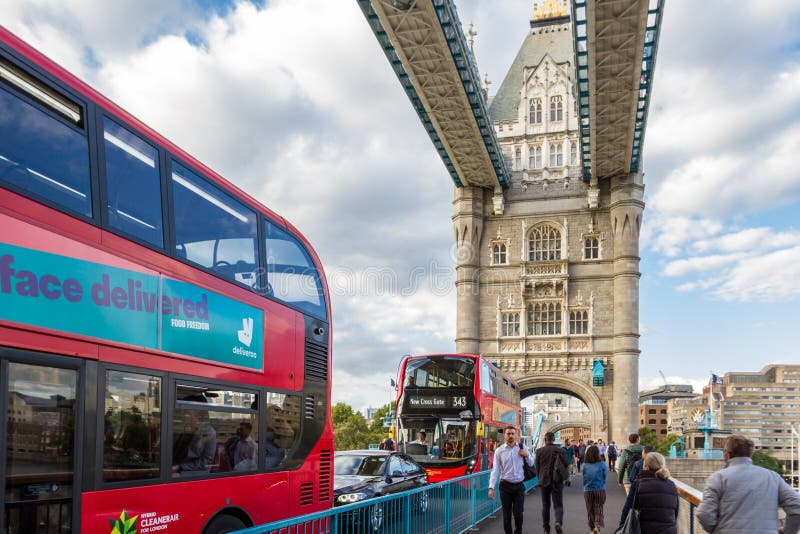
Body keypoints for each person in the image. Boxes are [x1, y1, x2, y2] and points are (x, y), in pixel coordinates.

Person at [696, 434, 800, 534]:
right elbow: (797, 507)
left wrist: (717, 530)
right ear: (750, 454)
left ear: (728, 454)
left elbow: (704, 513)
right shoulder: (773, 477)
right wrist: (787, 531)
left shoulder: (718, 478)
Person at [488, 427, 534, 534]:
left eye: (513, 434)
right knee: (506, 515)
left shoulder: (522, 447)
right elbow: (495, 470)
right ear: (504, 435)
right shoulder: (499, 451)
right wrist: (491, 487)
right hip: (505, 486)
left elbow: (531, 463)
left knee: (518, 514)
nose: (511, 436)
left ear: (516, 435)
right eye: (508, 434)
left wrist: (526, 455)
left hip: (519, 486)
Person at [618, 452, 678, 533]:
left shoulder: (638, 484)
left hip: (644, 529)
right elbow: (675, 512)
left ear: (646, 466)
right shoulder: (672, 485)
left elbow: (627, 509)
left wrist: (621, 527)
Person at [535, 431, 568, 534]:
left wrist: (540, 478)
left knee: (545, 505)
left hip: (544, 480)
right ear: (554, 439)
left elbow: (537, 468)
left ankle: (546, 528)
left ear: (545, 439)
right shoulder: (561, 450)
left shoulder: (539, 451)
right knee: (558, 505)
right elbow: (566, 464)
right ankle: (558, 522)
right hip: (557, 481)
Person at [173, 410, 216, 475]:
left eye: (188, 414)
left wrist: (180, 467)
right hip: (178, 465)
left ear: (198, 417)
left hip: (195, 471)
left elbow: (206, 462)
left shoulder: (209, 432)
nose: (184, 417)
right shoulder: (184, 429)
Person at [581, 445, 606, 534]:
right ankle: (597, 526)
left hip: (588, 489)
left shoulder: (584, 465)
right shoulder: (602, 464)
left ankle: (592, 528)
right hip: (599, 488)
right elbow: (604, 476)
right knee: (598, 507)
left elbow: (584, 477)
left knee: (590, 509)